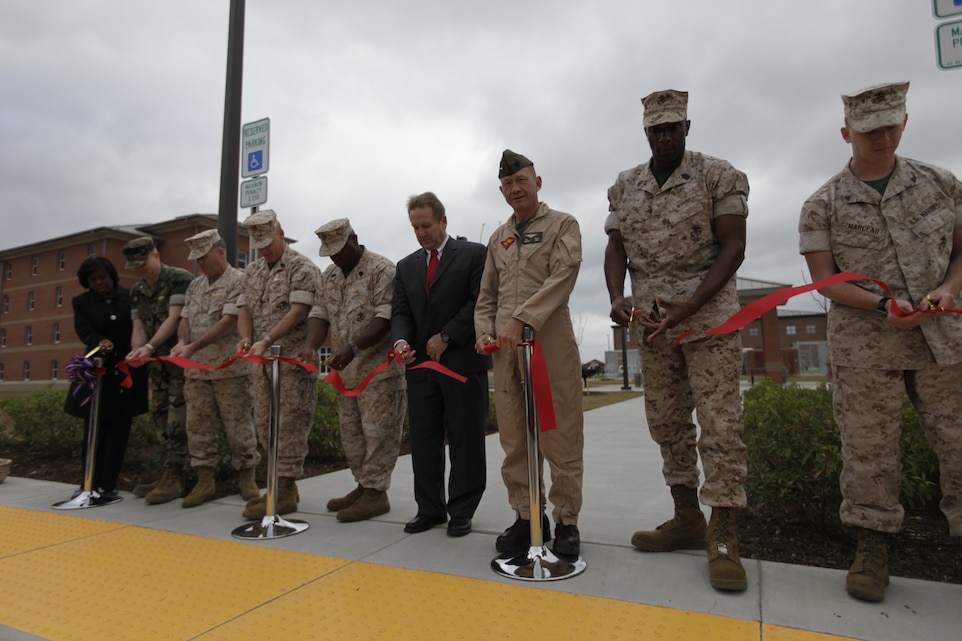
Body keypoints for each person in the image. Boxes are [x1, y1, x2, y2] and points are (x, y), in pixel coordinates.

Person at [799, 81, 962, 602]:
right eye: (869, 130)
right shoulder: (821, 204)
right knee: (869, 453)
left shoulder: (941, 184)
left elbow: (961, 253)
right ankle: (873, 545)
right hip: (868, 347)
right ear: (847, 133)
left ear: (906, 122)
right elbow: (826, 278)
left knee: (960, 444)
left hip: (944, 342)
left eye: (891, 125)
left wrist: (947, 289)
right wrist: (882, 305)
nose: (882, 137)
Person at [604, 89, 750, 591]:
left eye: (672, 127)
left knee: (719, 424)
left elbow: (734, 245)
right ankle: (688, 518)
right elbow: (616, 247)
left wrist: (692, 304)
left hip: (709, 322)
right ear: (645, 132)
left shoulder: (717, 175)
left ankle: (725, 535)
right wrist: (617, 296)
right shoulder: (625, 186)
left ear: (687, 127)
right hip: (652, 325)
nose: (664, 136)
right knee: (667, 423)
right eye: (655, 129)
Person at [473, 149, 584, 558]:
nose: (515, 188)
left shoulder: (562, 225)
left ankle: (566, 521)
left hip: (548, 346)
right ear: (501, 191)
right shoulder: (498, 238)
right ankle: (526, 516)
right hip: (505, 351)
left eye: (522, 181)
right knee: (515, 438)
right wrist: (483, 332)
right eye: (507, 184)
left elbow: (563, 276)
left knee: (560, 434)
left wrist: (521, 320)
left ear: (538, 183)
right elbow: (486, 295)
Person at [392, 192, 491, 537]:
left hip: (463, 364)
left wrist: (447, 335)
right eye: (416, 227)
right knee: (424, 440)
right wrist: (401, 342)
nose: (422, 233)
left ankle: (462, 510)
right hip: (421, 369)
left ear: (443, 221)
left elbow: (479, 300)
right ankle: (429, 509)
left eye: (427, 225)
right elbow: (401, 312)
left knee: (466, 440)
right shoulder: (405, 267)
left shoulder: (474, 255)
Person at [304, 218, 406, 523]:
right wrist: (311, 345)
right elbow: (319, 313)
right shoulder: (330, 275)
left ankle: (376, 493)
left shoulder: (381, 269)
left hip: (377, 373)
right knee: (352, 436)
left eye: (339, 250)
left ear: (354, 239)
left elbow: (384, 317)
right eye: (329, 253)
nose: (335, 257)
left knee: (379, 434)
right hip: (346, 374)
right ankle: (363, 486)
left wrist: (353, 347)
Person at [236, 209, 321, 520]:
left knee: (290, 424)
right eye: (258, 245)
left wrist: (268, 339)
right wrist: (246, 337)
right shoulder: (254, 271)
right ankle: (277, 486)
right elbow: (243, 307)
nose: (264, 249)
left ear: (281, 233)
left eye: (268, 242)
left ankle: (285, 489)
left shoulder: (301, 267)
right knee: (266, 424)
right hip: (262, 366)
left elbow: (298, 311)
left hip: (291, 364)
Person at [171, 229, 259, 508]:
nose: (200, 264)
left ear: (221, 253)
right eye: (196, 259)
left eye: (204, 257)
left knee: (239, 425)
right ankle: (204, 480)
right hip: (195, 372)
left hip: (229, 370)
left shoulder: (240, 280)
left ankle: (247, 477)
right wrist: (181, 342)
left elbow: (229, 321)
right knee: (198, 426)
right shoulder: (195, 285)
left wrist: (192, 347)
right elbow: (184, 318)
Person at [64, 256, 149, 499]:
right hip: (97, 373)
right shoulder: (81, 302)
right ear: (86, 282)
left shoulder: (130, 296)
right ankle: (89, 483)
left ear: (111, 275)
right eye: (92, 280)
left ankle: (109, 485)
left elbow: (139, 326)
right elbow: (84, 329)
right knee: (94, 430)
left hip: (125, 371)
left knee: (119, 432)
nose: (99, 282)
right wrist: (98, 343)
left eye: (102, 277)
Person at [123, 237, 194, 504]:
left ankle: (176, 476)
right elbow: (138, 327)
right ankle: (167, 470)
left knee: (178, 416)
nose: (140, 270)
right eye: (135, 266)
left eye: (143, 263)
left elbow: (174, 318)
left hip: (178, 362)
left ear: (156, 256)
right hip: (156, 366)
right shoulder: (137, 291)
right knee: (160, 416)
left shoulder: (178, 278)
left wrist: (150, 347)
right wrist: (136, 350)